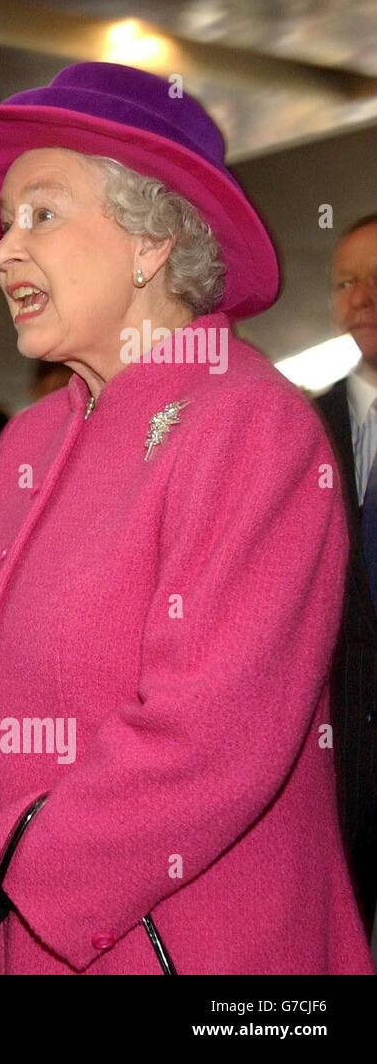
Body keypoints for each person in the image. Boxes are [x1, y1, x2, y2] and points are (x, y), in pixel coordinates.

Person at [0, 61, 373, 974]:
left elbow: (214, 737)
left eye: (41, 213)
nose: (0, 249)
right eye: (3, 222)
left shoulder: (251, 422)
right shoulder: (27, 439)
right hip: (11, 934)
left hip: (202, 950)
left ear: (151, 240)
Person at [315, 212, 377, 938]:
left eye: (376, 279)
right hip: (336, 771)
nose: (361, 297)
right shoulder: (299, 427)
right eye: (345, 282)